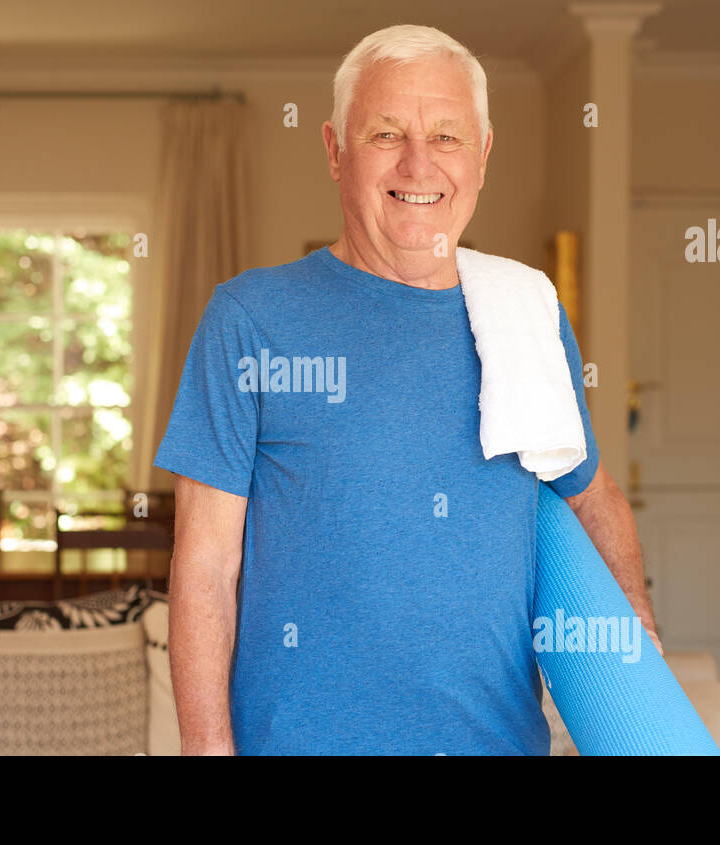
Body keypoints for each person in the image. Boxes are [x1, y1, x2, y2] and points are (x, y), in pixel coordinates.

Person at [154, 23, 659, 755]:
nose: (419, 163)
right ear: (334, 150)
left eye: (449, 136)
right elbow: (204, 567)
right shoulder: (250, 320)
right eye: (386, 133)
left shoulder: (526, 315)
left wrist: (635, 640)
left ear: (483, 154)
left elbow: (592, 494)